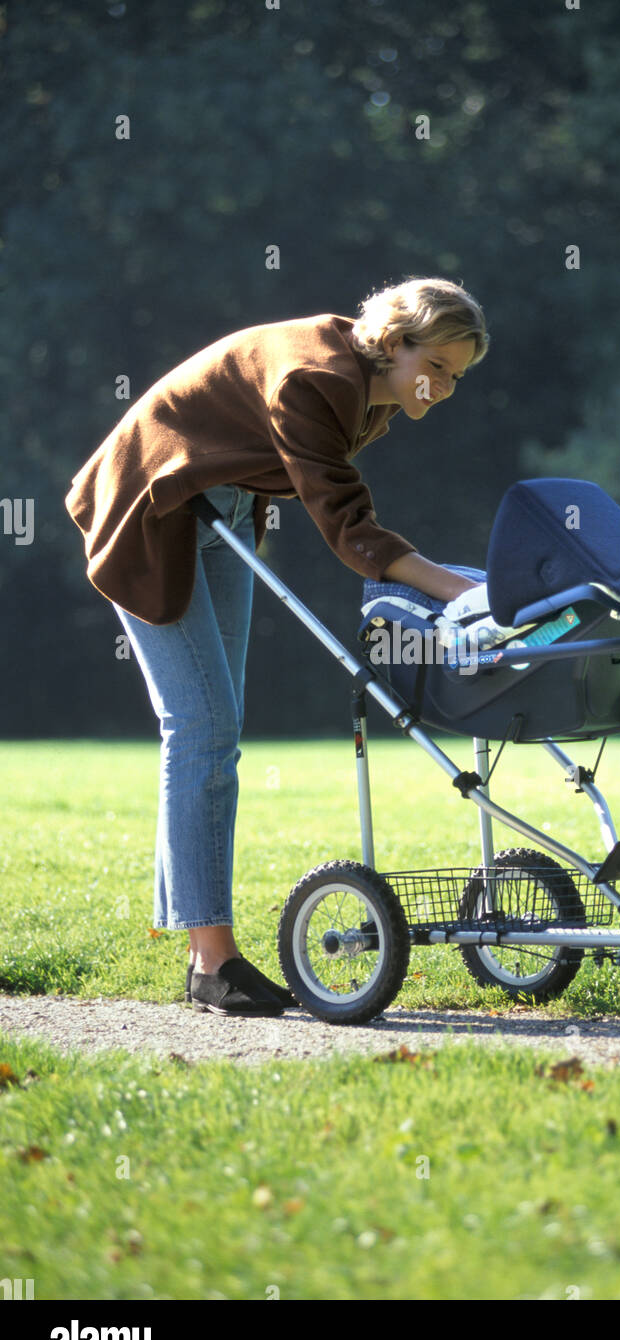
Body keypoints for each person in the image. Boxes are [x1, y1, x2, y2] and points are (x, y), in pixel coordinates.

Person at [65, 276, 489, 1017]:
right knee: (201, 729)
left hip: (224, 503)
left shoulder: (364, 382)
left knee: (207, 732)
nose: (447, 388)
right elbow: (346, 524)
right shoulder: (315, 378)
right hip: (155, 506)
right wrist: (458, 589)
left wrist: (449, 583)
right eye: (442, 368)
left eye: (459, 376)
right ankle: (212, 962)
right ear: (394, 343)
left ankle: (200, 945)